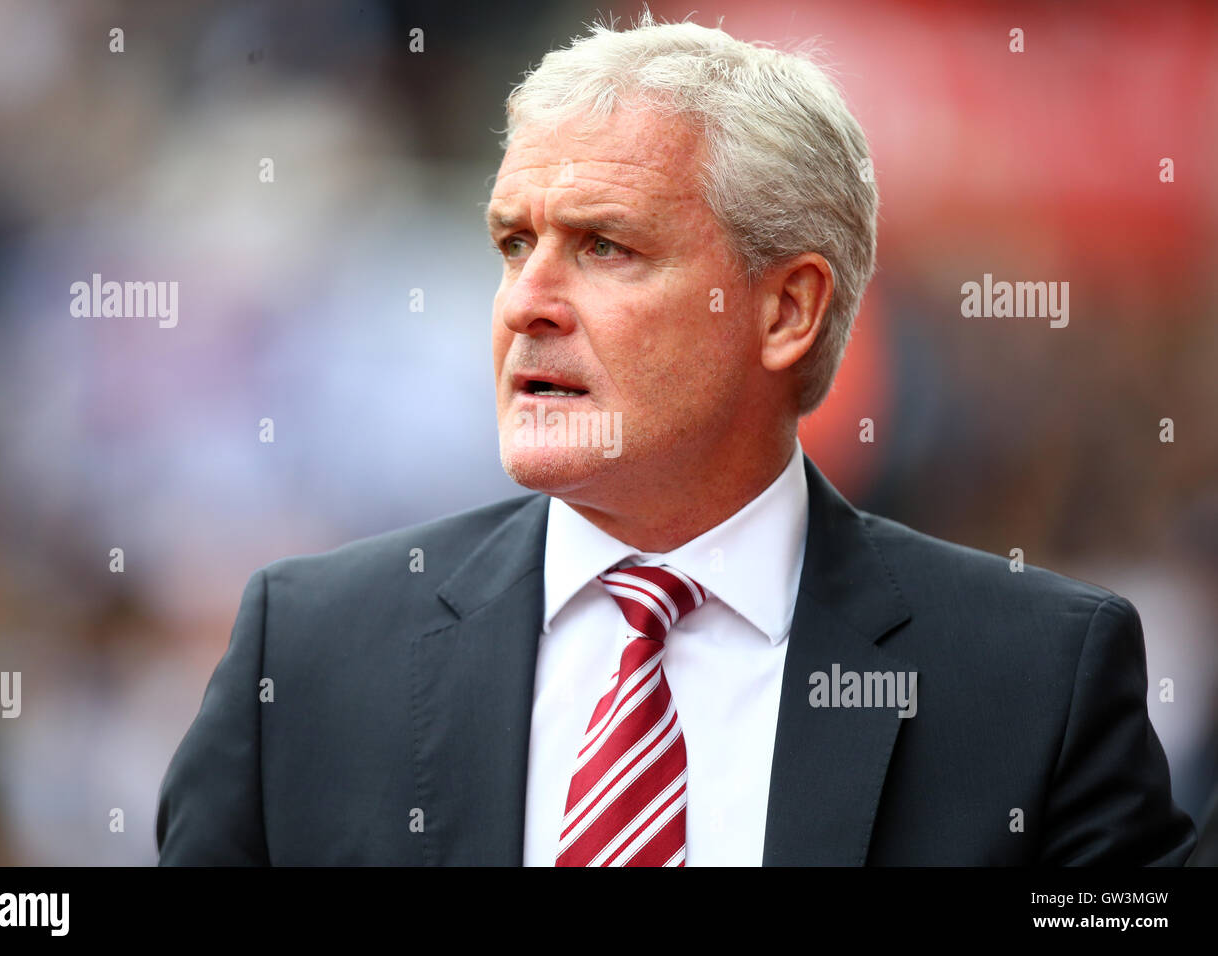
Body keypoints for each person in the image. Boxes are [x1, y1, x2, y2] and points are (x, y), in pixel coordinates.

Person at [156, 13, 1196, 866]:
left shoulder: (1032, 677)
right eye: (514, 244)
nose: (527, 302)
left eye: (605, 245)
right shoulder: (304, 652)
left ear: (785, 311)